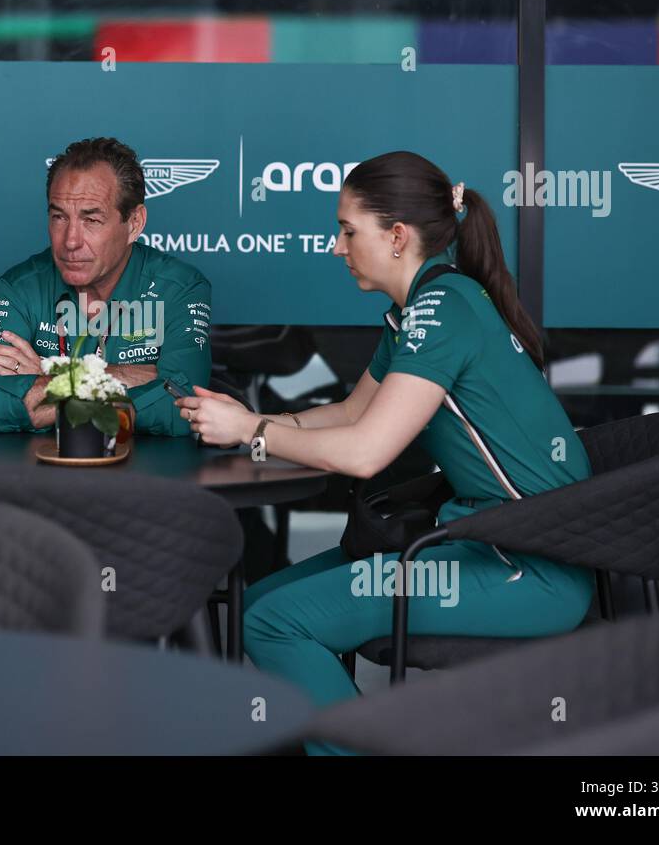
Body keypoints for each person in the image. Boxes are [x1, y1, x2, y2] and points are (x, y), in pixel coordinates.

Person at [174, 151, 594, 752]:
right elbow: (351, 412)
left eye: (348, 231)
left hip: (528, 565)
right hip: (478, 541)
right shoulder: (419, 309)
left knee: (275, 623)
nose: (337, 247)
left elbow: (366, 451)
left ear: (397, 236)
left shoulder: (443, 311)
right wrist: (246, 417)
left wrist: (251, 432)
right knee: (261, 600)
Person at [0, 137, 211, 435]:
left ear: (134, 223)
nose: (70, 241)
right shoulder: (19, 287)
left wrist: (49, 375)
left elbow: (182, 404)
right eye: (59, 217)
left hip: (148, 476)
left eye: (91, 220)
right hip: (41, 475)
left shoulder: (180, 287)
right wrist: (135, 381)